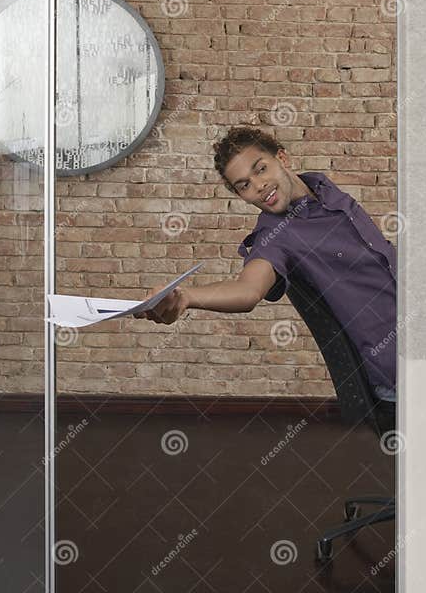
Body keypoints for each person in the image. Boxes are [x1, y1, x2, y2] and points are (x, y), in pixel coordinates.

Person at [135, 126, 397, 402]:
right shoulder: (275, 237)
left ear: (282, 159)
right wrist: (186, 296)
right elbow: (248, 290)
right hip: (399, 370)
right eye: (244, 185)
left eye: (260, 169)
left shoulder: (323, 188)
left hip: (423, 332)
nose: (258, 186)